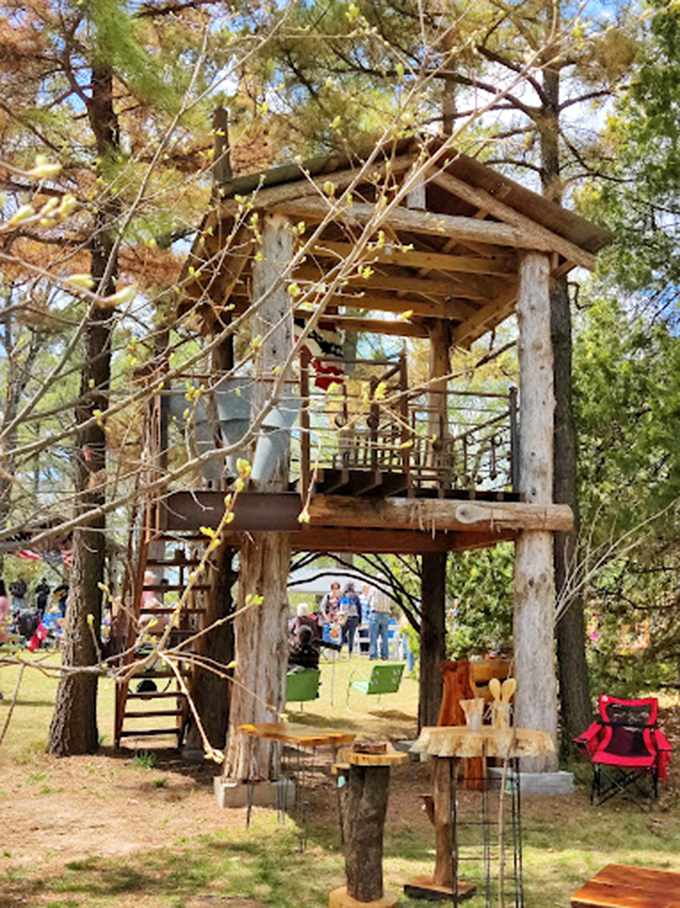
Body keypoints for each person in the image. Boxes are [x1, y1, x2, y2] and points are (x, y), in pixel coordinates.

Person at [339, 582, 362, 658]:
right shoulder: (355, 597)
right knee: (351, 636)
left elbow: (338, 607)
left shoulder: (341, 596)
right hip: (354, 617)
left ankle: (338, 652)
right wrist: (360, 621)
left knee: (342, 636)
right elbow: (359, 609)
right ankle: (350, 653)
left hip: (343, 617)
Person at [369, 591, 391, 661]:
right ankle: (385, 655)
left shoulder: (374, 588)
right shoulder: (388, 588)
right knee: (385, 636)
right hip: (385, 613)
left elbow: (368, 599)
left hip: (375, 612)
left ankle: (374, 655)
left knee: (373, 636)